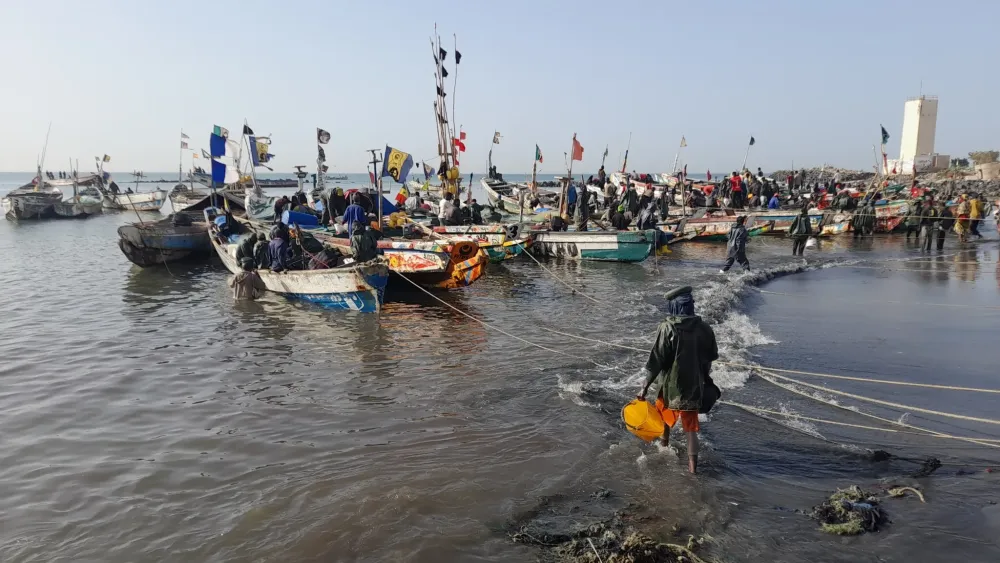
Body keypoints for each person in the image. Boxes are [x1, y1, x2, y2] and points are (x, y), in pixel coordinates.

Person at [638, 286, 719, 474]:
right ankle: (693, 471)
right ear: (690, 305)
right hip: (694, 387)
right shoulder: (705, 328)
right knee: (691, 429)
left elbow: (656, 361)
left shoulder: (667, 327)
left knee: (664, 420)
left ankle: (664, 449)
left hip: (669, 389)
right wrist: (704, 379)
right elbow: (709, 360)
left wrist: (644, 387)